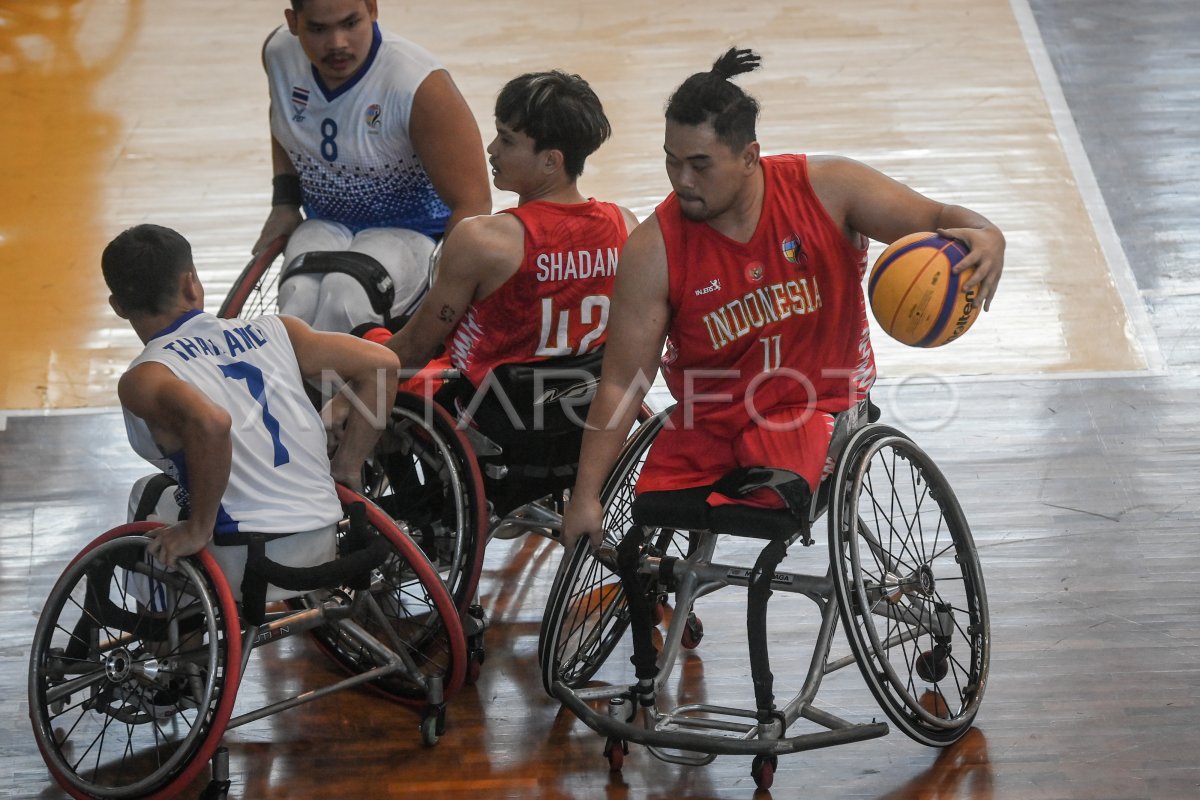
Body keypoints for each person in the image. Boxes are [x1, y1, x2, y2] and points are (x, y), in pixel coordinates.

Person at [562, 47, 1006, 551]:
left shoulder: (831, 189)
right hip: (712, 417)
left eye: (700, 164)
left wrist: (989, 235)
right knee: (650, 518)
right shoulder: (653, 249)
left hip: (822, 405)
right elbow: (622, 381)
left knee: (777, 475)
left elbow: (938, 218)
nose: (681, 180)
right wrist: (585, 496)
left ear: (749, 156)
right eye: (672, 160)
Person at [361, 69, 638, 514]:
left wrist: (349, 377)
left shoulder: (483, 241)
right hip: (578, 416)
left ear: (551, 160)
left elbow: (412, 349)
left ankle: (376, 490)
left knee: (366, 347)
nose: (491, 150)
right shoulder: (626, 225)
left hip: (492, 422)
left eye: (507, 141)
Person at [104, 223, 399, 568]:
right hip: (325, 534)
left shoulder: (146, 376)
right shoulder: (279, 330)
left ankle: (159, 621)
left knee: (148, 493)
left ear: (118, 307)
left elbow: (212, 425)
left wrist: (198, 529)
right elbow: (383, 364)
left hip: (246, 554)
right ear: (191, 283)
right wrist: (348, 465)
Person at [255, 0, 491, 333]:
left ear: (372, 9)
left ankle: (348, 382)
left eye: (350, 23)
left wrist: (446, 292)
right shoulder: (278, 52)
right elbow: (285, 118)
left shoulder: (419, 84)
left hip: (414, 230)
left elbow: (474, 201)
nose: (337, 43)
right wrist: (285, 201)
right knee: (297, 300)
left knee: (346, 300)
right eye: (319, 29)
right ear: (293, 22)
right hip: (325, 223)